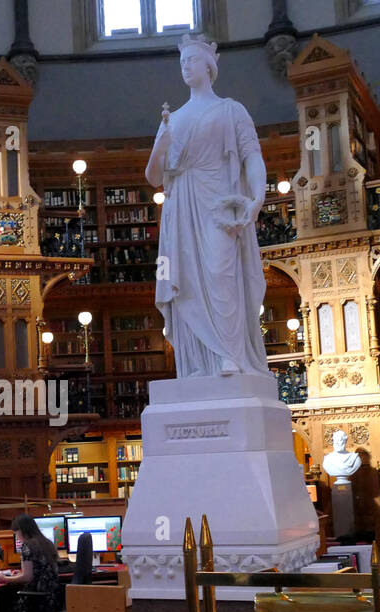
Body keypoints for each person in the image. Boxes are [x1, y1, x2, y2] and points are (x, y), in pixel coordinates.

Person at [145, 33, 270, 379]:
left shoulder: (231, 110)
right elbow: (154, 176)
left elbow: (252, 157)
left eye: (192, 60)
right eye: (182, 61)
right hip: (180, 209)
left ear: (209, 66)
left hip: (217, 204)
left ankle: (230, 356)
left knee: (220, 274)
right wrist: (159, 148)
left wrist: (257, 197)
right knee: (181, 277)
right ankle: (197, 365)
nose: (185, 67)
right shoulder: (172, 118)